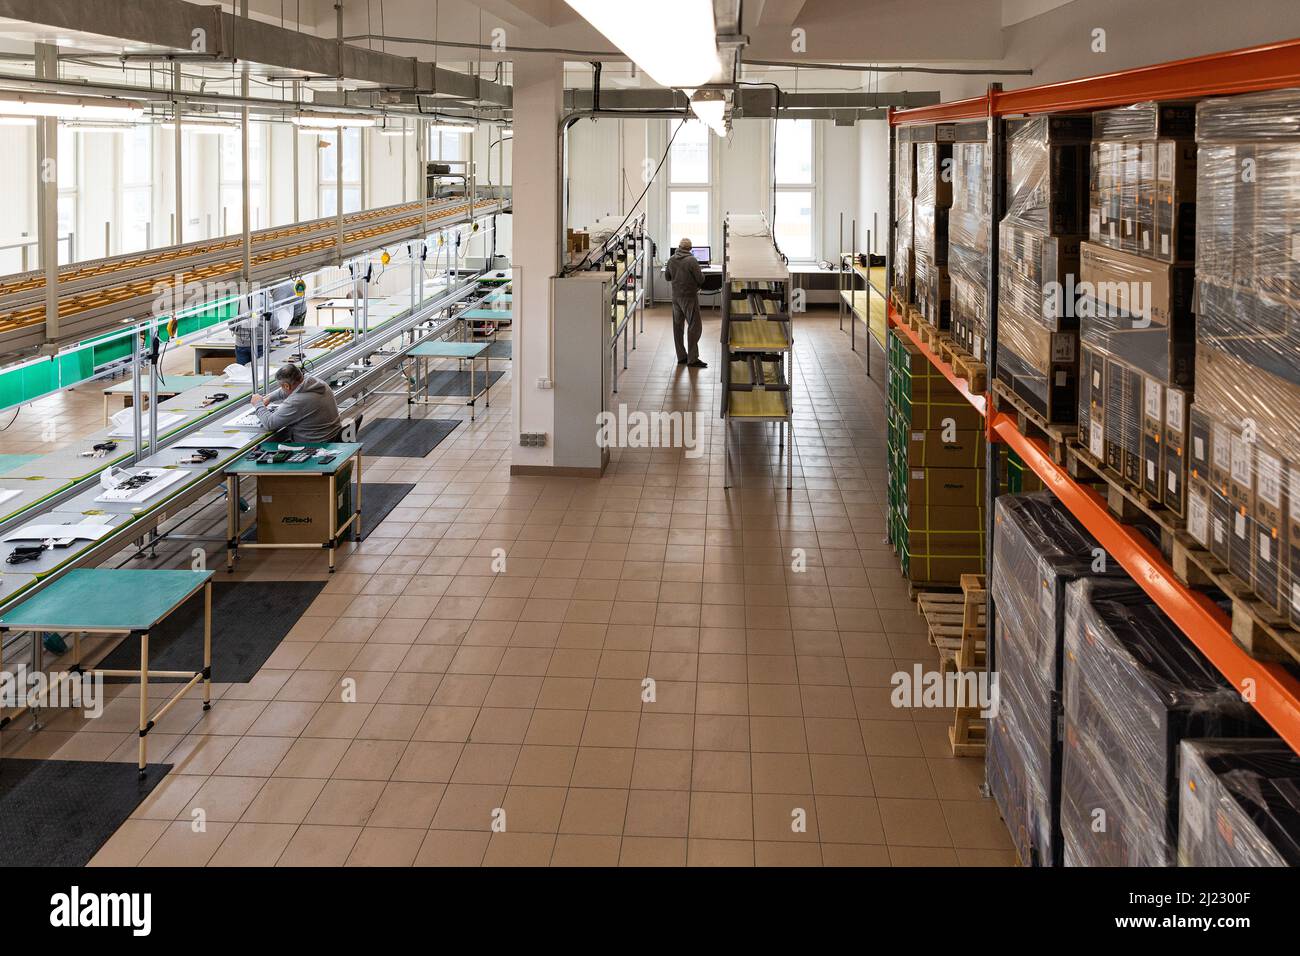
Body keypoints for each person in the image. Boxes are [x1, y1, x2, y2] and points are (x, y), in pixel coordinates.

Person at [250, 364, 343, 442]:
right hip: (332, 438)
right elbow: (290, 390)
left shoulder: (297, 401)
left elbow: (270, 423)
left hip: (314, 446)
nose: (282, 389)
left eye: (282, 386)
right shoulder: (316, 383)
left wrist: (258, 404)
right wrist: (270, 398)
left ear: (286, 386)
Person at [664, 237, 708, 368]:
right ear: (690, 248)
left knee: (678, 328)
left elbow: (667, 277)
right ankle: (693, 359)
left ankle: (681, 357)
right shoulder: (692, 260)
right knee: (695, 327)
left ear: (678, 246)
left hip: (676, 298)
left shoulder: (671, 259)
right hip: (689, 298)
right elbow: (700, 279)